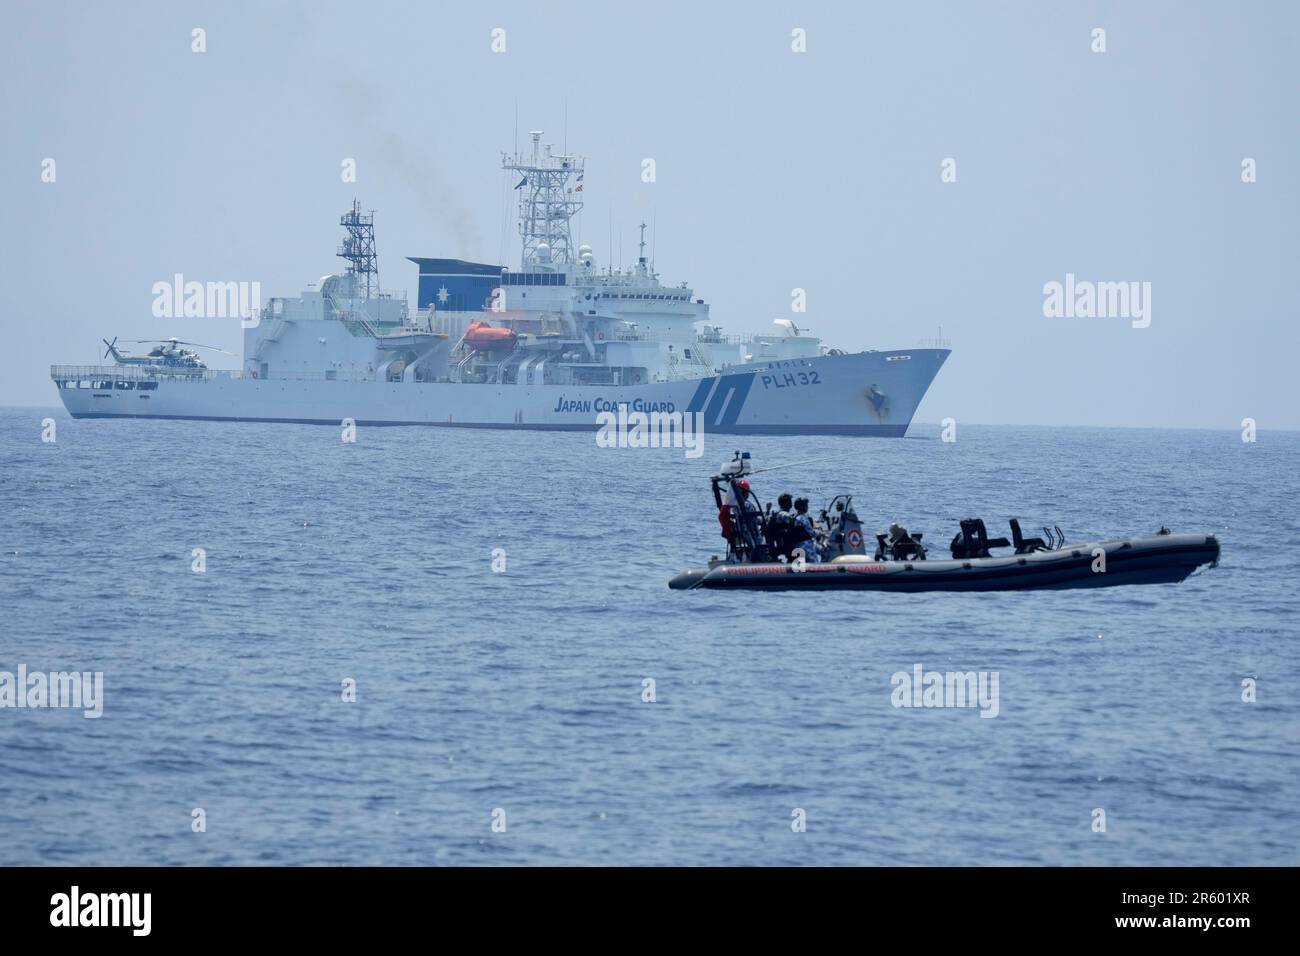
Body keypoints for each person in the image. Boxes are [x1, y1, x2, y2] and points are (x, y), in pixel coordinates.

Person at [793, 497, 822, 563]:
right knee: (815, 562)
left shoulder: (795, 516)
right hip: (805, 545)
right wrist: (820, 533)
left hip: (797, 544)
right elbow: (812, 533)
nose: (807, 507)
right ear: (802, 507)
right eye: (806, 505)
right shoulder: (803, 518)